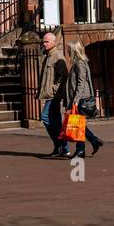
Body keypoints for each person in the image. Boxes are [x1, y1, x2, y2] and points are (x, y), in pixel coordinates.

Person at [63, 41, 104, 157]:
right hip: (79, 98)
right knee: (80, 124)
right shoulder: (78, 63)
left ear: (74, 51)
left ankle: (81, 149)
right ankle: (93, 141)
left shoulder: (80, 63)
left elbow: (81, 82)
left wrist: (75, 99)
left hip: (81, 99)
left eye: (69, 50)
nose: (68, 53)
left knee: (79, 125)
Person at [37, 30, 70, 158]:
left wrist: (53, 90)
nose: (44, 44)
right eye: (43, 41)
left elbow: (63, 77)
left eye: (46, 42)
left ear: (53, 42)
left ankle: (60, 144)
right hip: (50, 94)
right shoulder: (48, 56)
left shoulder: (57, 56)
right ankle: (62, 148)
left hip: (54, 95)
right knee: (55, 120)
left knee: (45, 116)